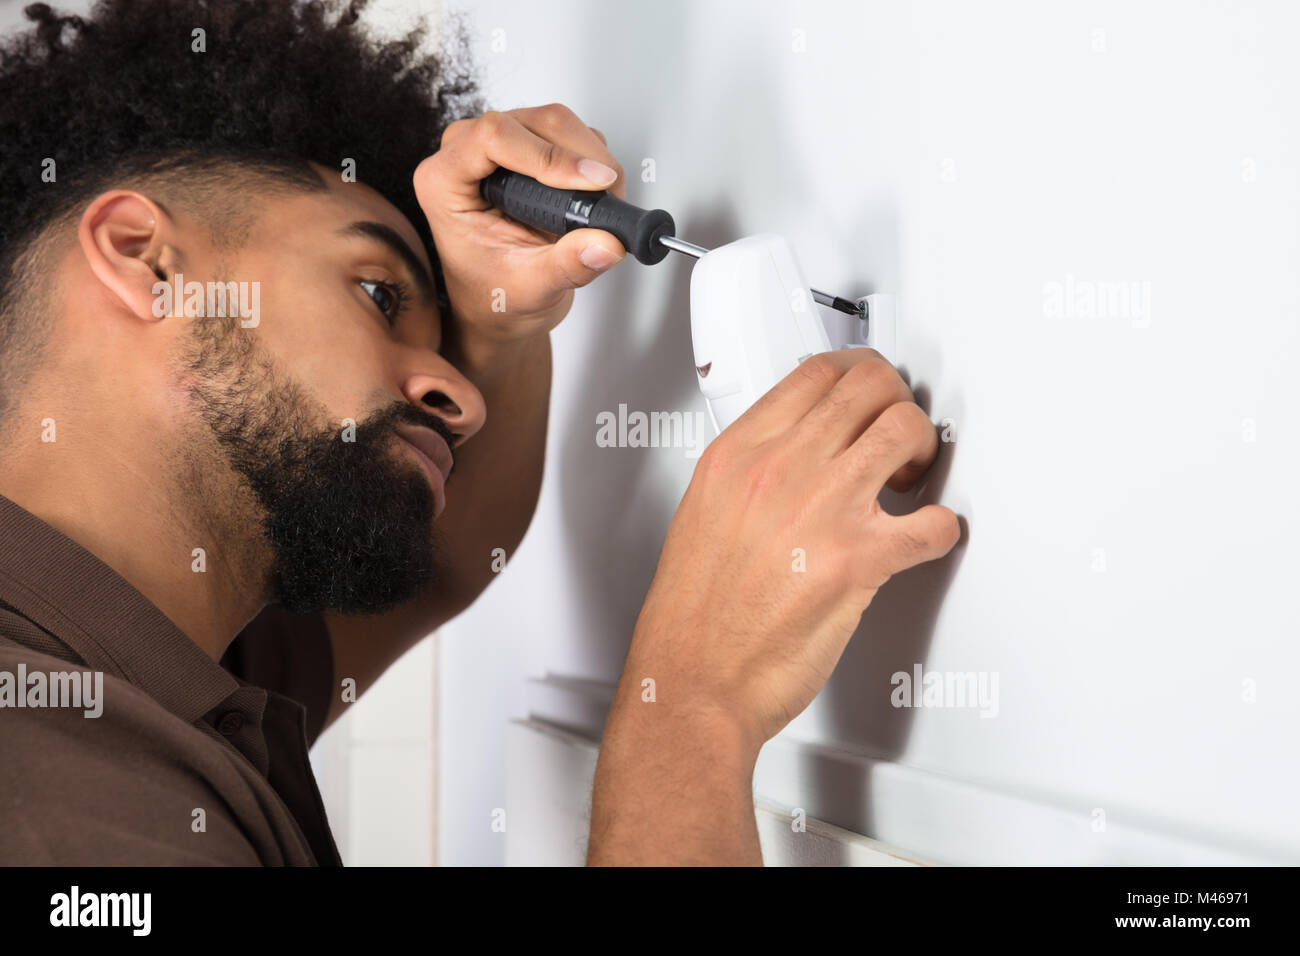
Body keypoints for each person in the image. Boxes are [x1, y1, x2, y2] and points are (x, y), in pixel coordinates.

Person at [0, 0, 958, 866]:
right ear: (146, 261)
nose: (464, 398)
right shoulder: (55, 786)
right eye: (377, 293)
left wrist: (498, 323)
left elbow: (448, 558)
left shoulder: (171, 660)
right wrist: (691, 714)